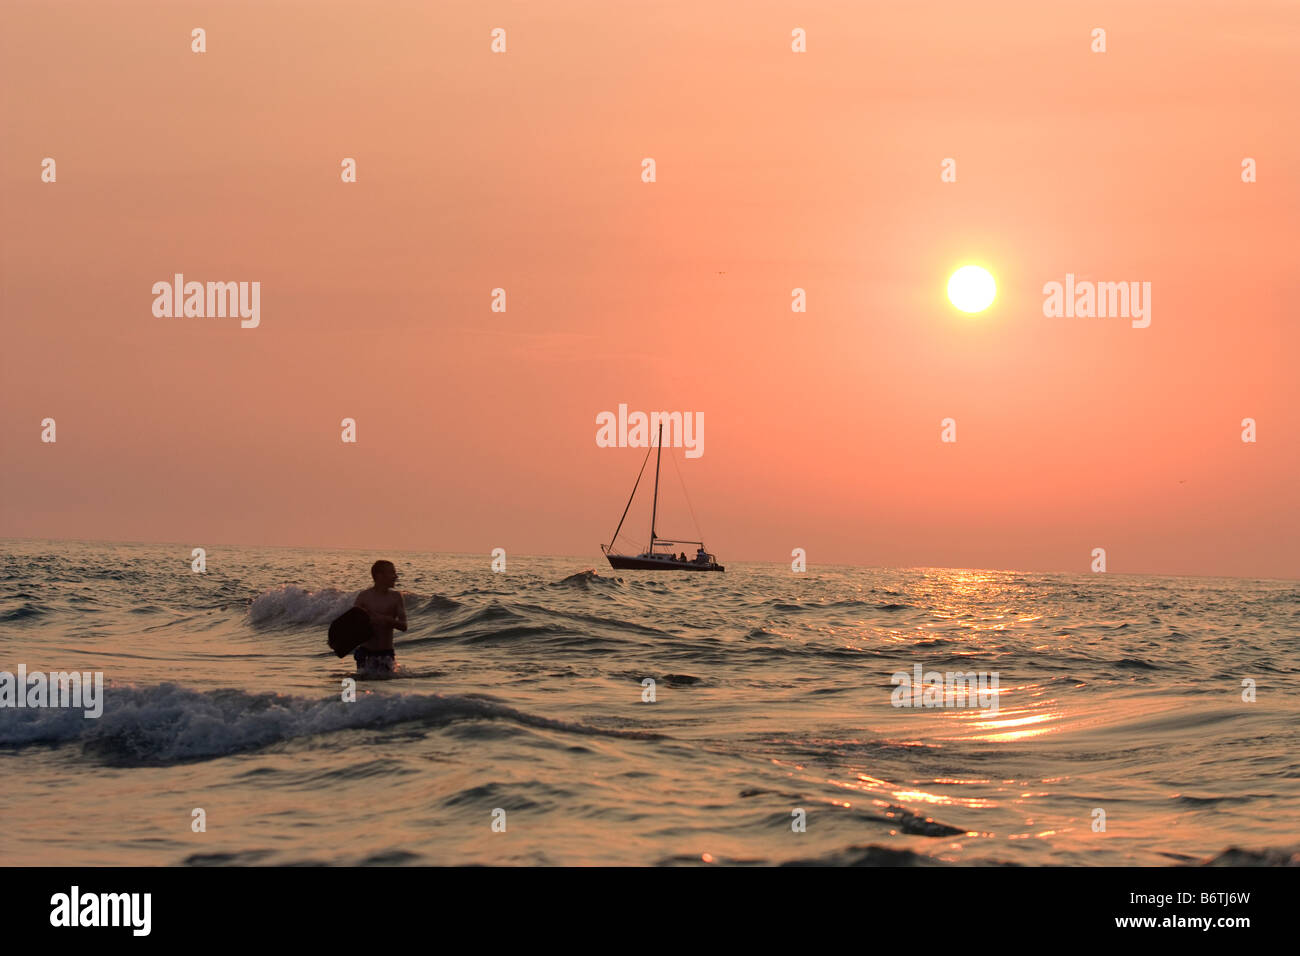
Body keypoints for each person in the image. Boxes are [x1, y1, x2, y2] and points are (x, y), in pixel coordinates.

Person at [352, 560, 407, 673]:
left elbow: (404, 626)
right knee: (364, 686)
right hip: (365, 652)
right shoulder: (363, 597)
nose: (396, 576)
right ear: (379, 575)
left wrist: (386, 620)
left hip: (386, 654)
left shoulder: (396, 597)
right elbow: (351, 624)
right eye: (392, 573)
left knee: (385, 687)